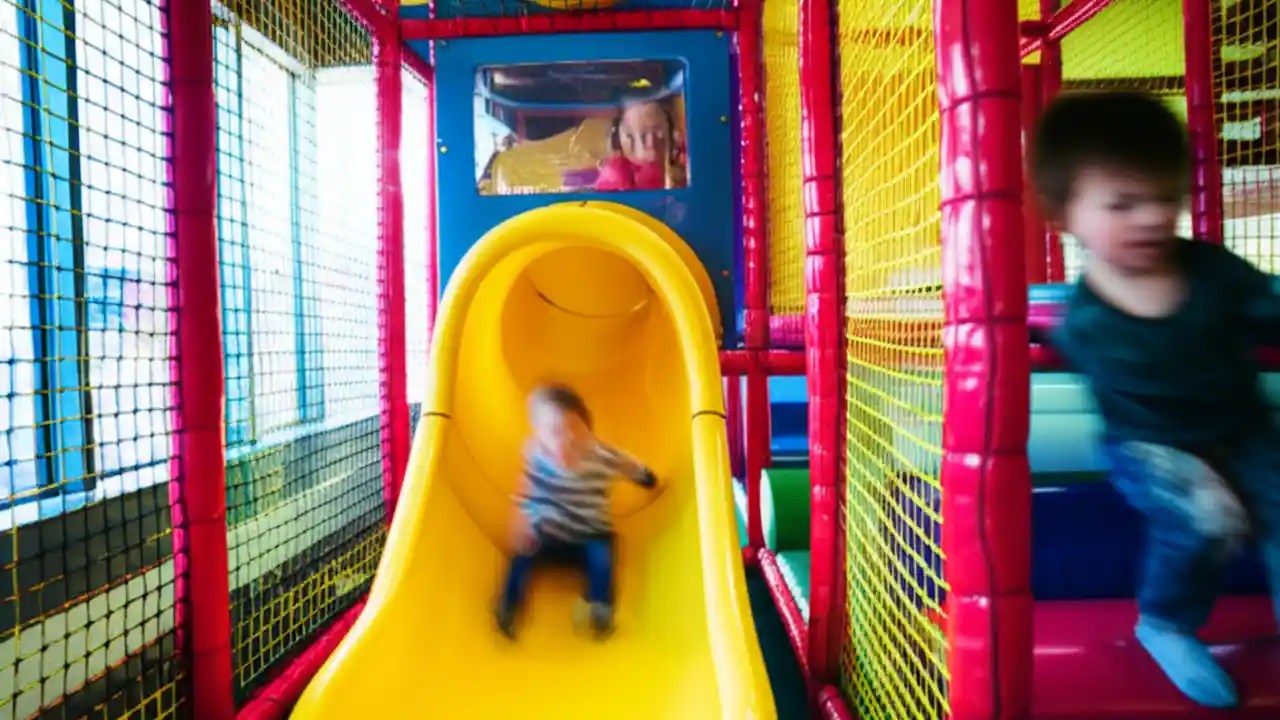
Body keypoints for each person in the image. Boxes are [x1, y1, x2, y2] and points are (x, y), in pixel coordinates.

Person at [1032, 90, 1280, 709]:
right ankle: (1165, 622)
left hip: (1243, 430)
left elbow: (1265, 304)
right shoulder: (1087, 321)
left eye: (1165, 199)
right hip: (1150, 448)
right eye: (1123, 204)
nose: (1150, 218)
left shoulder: (1212, 272)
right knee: (1205, 519)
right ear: (1066, 216)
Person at [495, 384, 659, 640]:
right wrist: (521, 521)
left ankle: (600, 607)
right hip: (549, 535)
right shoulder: (535, 454)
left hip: (590, 534)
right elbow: (525, 490)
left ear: (588, 428)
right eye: (553, 432)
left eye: (574, 428)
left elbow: (627, 464)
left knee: (603, 557)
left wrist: (646, 478)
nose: (566, 438)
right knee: (521, 557)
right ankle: (509, 606)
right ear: (539, 435)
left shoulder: (602, 455)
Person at [595, 98, 686, 192]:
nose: (651, 145)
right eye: (641, 136)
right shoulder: (614, 181)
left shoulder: (690, 167)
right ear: (618, 140)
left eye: (658, 134)